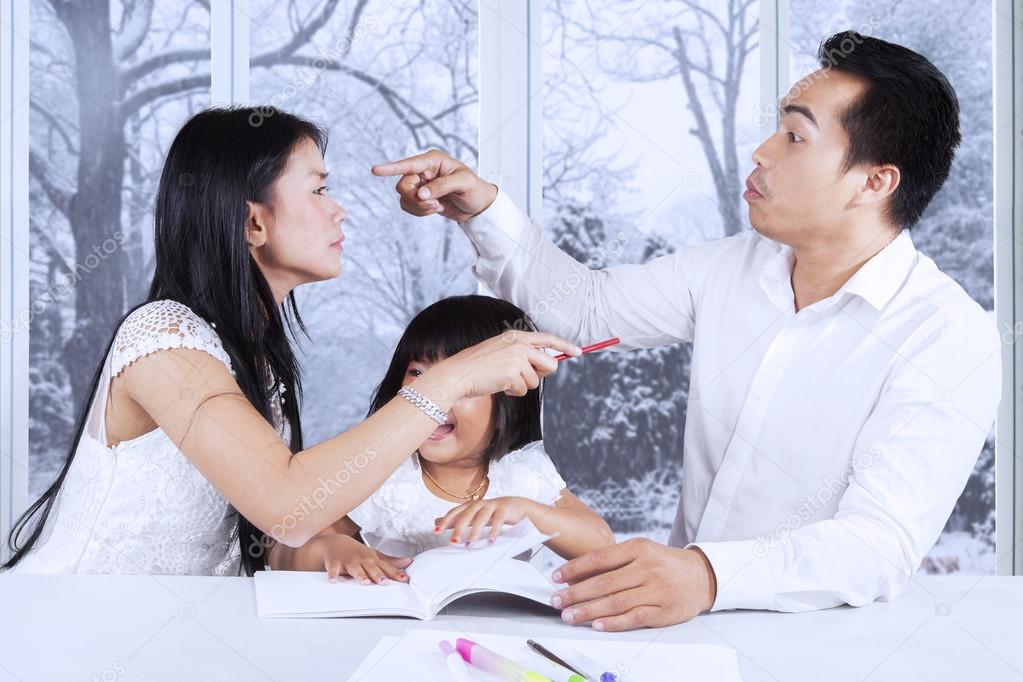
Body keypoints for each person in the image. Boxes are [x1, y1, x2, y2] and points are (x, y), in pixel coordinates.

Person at [372, 31, 1002, 631]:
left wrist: (706, 574)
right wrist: (482, 208)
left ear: (874, 181)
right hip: (679, 632)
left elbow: (878, 543)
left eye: (793, 137)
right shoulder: (733, 266)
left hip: (818, 645)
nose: (762, 151)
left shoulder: (947, 338)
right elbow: (586, 309)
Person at [4, 107, 580, 576]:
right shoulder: (163, 338)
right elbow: (288, 504)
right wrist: (457, 375)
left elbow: (276, 528)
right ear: (253, 223)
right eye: (319, 190)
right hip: (76, 639)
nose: (340, 210)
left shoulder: (254, 362)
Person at [269, 295, 615, 583]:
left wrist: (528, 511)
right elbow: (283, 548)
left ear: (511, 396)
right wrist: (332, 549)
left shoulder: (521, 474)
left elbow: (601, 545)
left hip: (493, 633)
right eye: (418, 374)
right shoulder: (386, 473)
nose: (435, 396)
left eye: (465, 384)